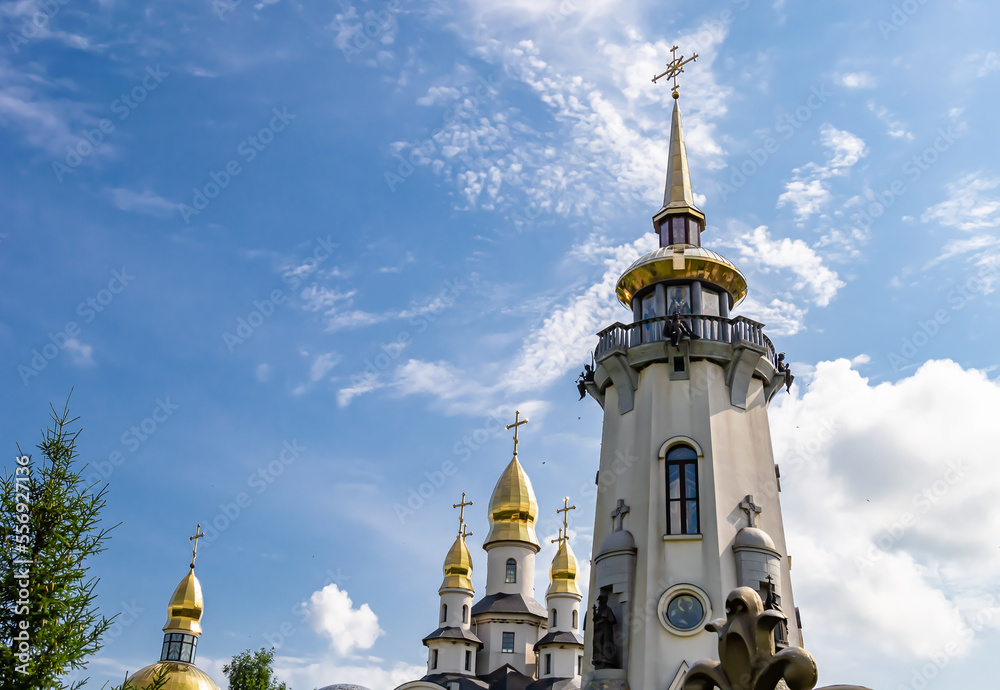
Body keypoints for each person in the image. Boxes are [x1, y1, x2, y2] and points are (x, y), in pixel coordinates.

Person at [592, 592, 618, 669]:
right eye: (599, 601)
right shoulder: (599, 611)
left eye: (601, 601)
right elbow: (596, 619)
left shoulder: (608, 610)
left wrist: (602, 621)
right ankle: (598, 656)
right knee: (597, 642)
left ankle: (607, 657)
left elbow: (613, 620)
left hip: (606, 631)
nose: (599, 603)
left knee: (606, 643)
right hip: (599, 631)